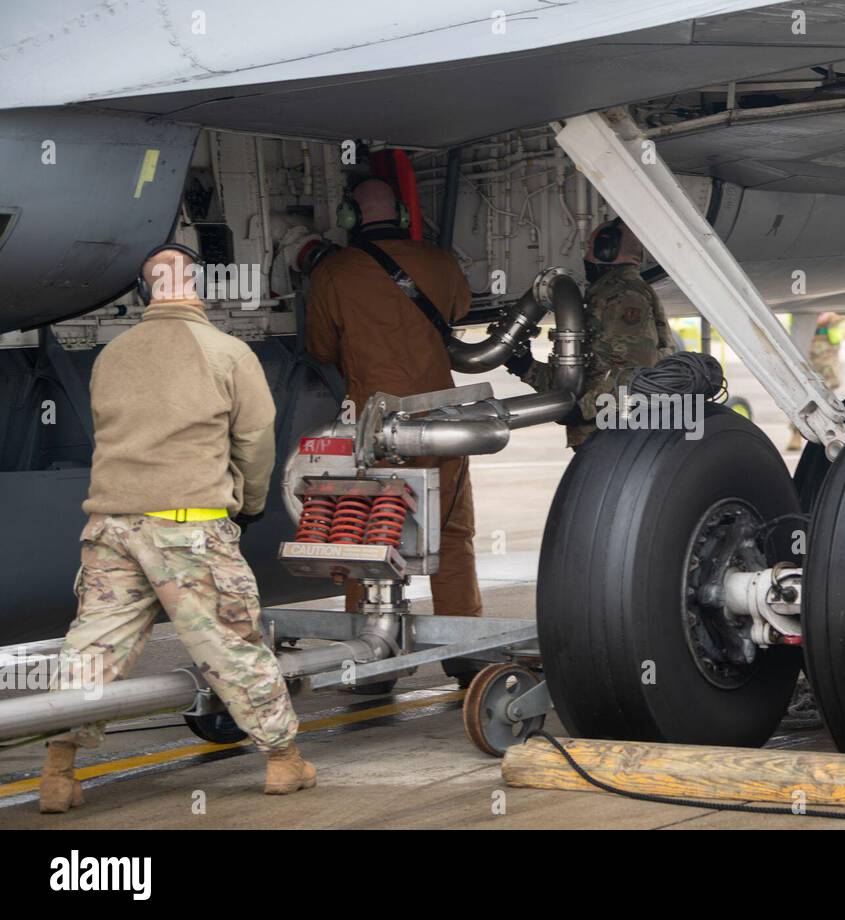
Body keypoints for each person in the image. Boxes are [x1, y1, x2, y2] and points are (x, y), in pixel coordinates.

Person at [40, 244, 311, 814]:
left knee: (93, 650)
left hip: (111, 526)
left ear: (144, 294)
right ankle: (284, 760)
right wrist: (252, 504)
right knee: (231, 643)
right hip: (187, 527)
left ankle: (57, 773)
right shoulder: (227, 352)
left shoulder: (112, 355)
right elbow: (257, 441)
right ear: (202, 288)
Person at [306, 177, 484, 621]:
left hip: (377, 427)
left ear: (349, 216)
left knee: (368, 530)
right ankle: (465, 652)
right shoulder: (440, 262)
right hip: (442, 424)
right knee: (451, 533)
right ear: (404, 216)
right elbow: (460, 311)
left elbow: (321, 349)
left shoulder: (335, 272)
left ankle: (371, 656)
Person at [506, 218, 673, 448]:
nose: (586, 258)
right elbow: (588, 375)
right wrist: (526, 367)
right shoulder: (607, 294)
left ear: (607, 250)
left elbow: (635, 373)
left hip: (616, 440)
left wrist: (582, 410)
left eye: (590, 250)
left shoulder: (623, 296)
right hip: (605, 439)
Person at [787, 311, 845, 451]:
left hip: (827, 345)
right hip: (806, 344)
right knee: (800, 388)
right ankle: (796, 433)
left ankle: (831, 432)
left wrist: (831, 315)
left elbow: (843, 313)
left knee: (828, 390)